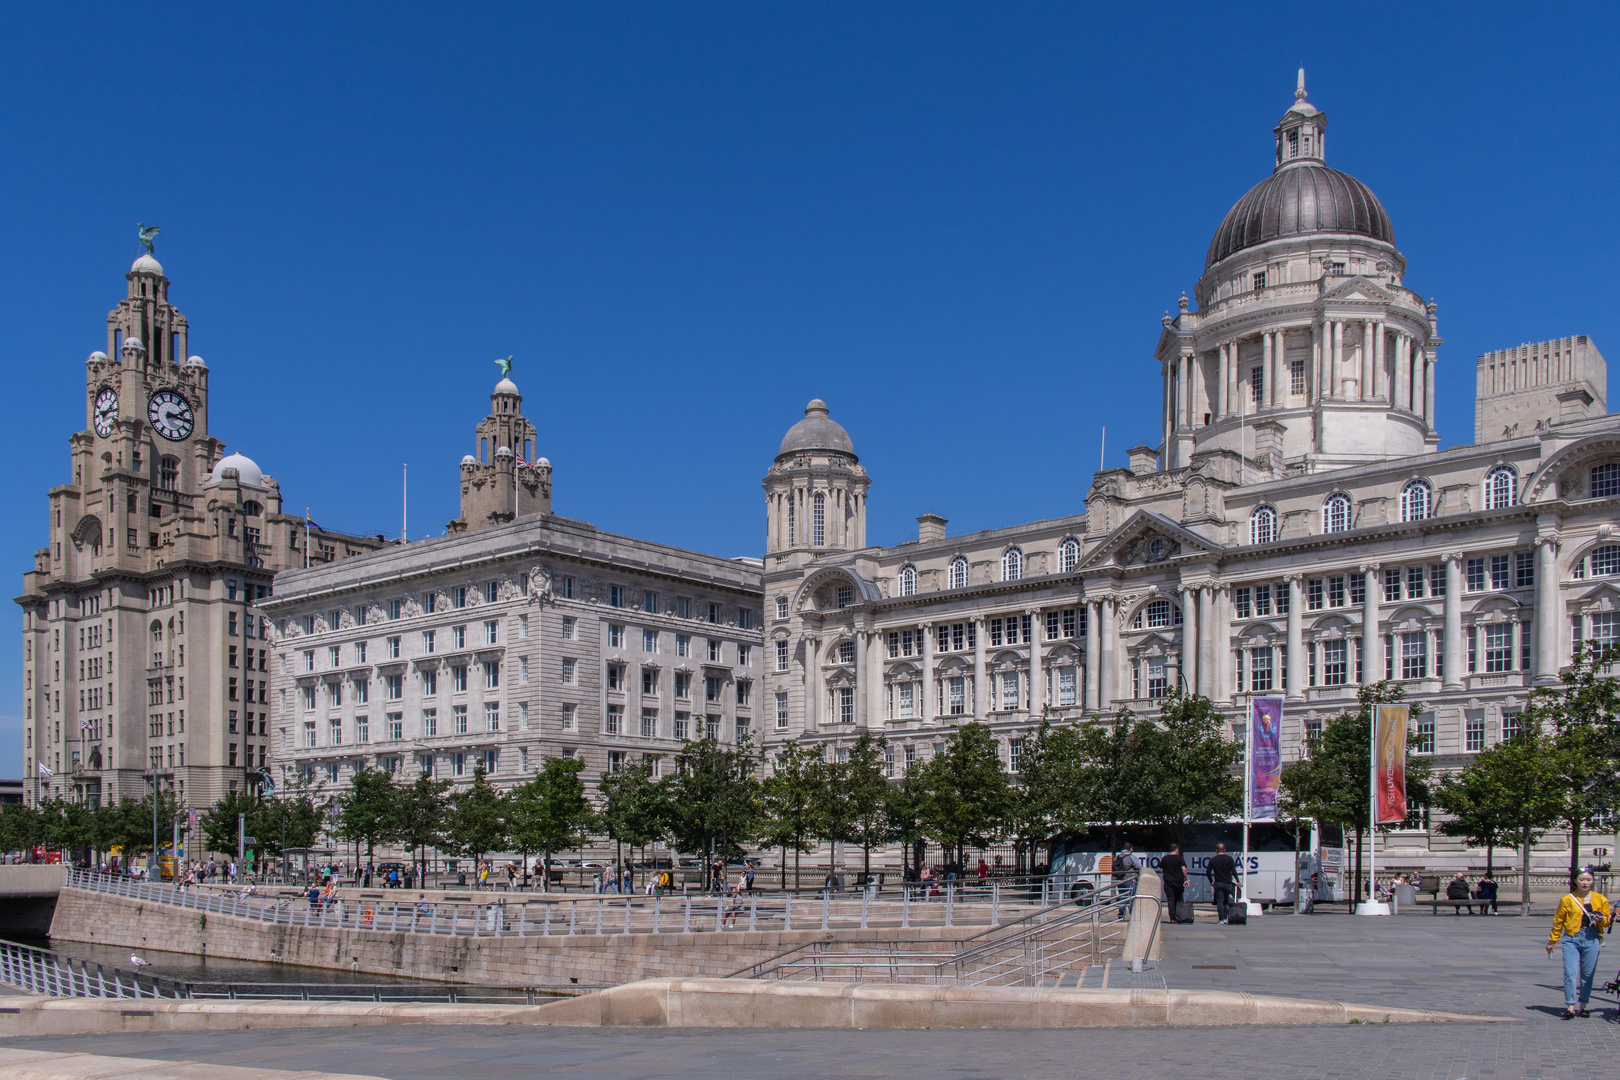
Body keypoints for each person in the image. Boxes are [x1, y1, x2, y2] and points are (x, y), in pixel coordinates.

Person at [1547, 870, 1612, 1019]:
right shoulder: (1567, 899)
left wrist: (1600, 919)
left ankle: (1584, 1005)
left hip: (1591, 938)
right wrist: (1552, 941)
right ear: (1575, 881)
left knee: (1588, 975)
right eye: (1582, 879)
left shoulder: (1601, 899)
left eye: (1588, 880)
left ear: (1592, 881)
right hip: (1572, 938)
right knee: (1570, 973)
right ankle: (1570, 1006)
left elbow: (1607, 921)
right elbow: (1558, 921)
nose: (1585, 882)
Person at [1207, 843, 1238, 923]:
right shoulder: (1229, 859)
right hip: (1228, 883)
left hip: (1218, 883)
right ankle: (1226, 918)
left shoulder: (1213, 860)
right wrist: (1238, 881)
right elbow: (1233, 871)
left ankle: (1221, 919)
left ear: (1216, 850)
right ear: (1225, 850)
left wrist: (1211, 881)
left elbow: (1208, 872)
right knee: (1226, 901)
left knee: (1219, 901)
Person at [1160, 844, 1190, 923]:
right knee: (1178, 900)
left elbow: (1161, 870)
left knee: (1170, 899)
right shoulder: (1179, 858)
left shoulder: (1165, 858)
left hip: (1168, 882)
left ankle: (1172, 918)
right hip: (1179, 883)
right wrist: (1186, 879)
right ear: (1177, 850)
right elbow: (1184, 869)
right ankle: (1180, 917)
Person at [1114, 843, 1141, 919]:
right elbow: (1139, 867)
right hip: (1130, 880)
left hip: (1120, 881)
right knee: (1131, 898)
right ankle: (1133, 915)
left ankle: (1121, 914)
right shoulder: (1131, 857)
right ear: (1131, 849)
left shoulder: (1117, 857)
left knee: (1122, 897)